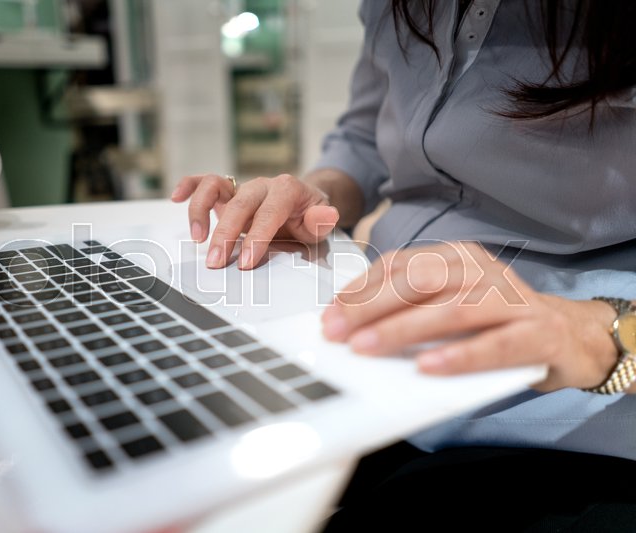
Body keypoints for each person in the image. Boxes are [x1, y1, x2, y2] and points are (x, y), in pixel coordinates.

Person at [172, 0, 636, 530]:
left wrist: (590, 334)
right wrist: (313, 197)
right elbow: (363, 139)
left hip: (566, 424)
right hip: (375, 351)